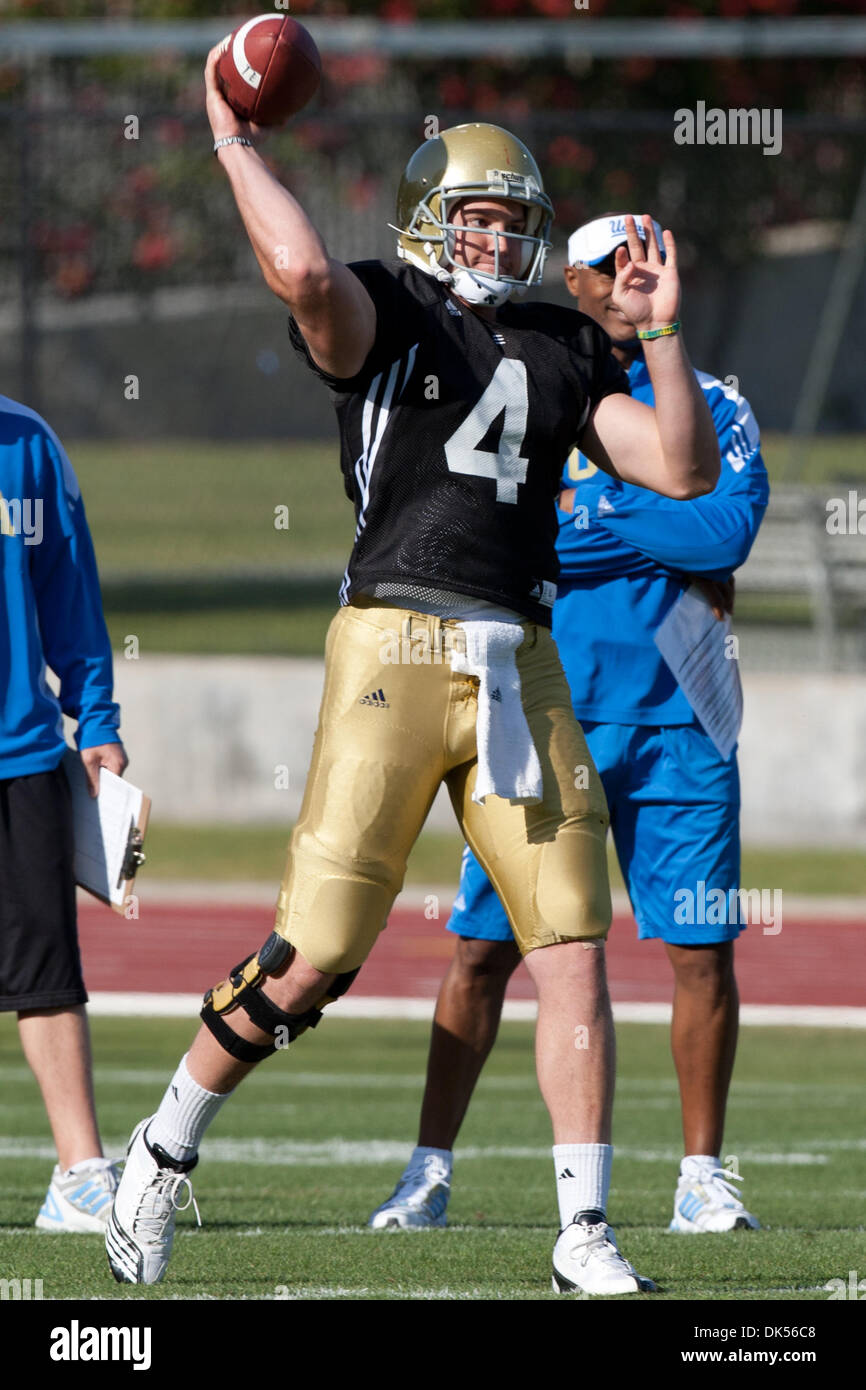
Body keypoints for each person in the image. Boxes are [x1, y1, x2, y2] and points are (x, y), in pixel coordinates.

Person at [106, 44, 720, 1295]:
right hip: (392, 639)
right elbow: (293, 266)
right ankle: (163, 1145)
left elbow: (678, 468)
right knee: (315, 952)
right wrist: (232, 135)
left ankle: (581, 1229)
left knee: (572, 941)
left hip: (520, 653)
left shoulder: (561, 337)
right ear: (432, 222)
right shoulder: (386, 308)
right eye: (476, 219)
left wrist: (656, 329)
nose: (494, 242)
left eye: (511, 224)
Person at [367, 213, 769, 1237]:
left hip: (682, 720)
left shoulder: (714, 402)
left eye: (650, 264)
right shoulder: (541, 385)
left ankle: (700, 1177)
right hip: (542, 709)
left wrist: (598, 525)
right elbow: (514, 530)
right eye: (610, 268)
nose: (631, 283)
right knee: (479, 951)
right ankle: (426, 1169)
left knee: (698, 952)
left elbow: (721, 528)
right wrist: (648, 535)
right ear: (578, 284)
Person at [0, 393, 127, 1231]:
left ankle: (81, 1176)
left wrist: (101, 721)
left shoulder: (30, 442)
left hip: (21, 754)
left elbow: (71, 590)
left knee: (48, 975)